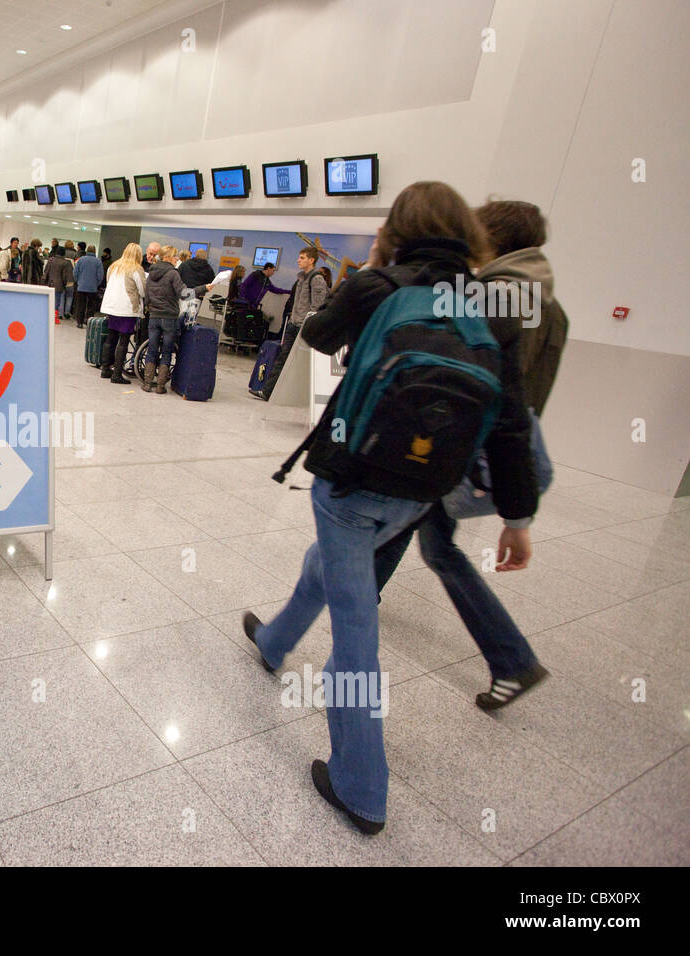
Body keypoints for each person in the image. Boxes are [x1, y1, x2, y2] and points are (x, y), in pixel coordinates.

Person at [240, 181, 539, 836]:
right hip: (423, 491)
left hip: (350, 482)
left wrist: (370, 277)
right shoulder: (491, 307)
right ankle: (273, 641)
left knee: (354, 627)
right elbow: (511, 423)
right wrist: (517, 518)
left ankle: (360, 786)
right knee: (330, 568)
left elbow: (317, 337)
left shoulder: (381, 284)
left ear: (398, 227)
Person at [370, 199, 568, 711]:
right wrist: (514, 496)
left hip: (452, 449)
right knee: (419, 536)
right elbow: (530, 400)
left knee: (428, 542)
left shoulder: (488, 297)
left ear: (491, 239)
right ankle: (357, 594)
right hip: (476, 451)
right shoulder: (550, 305)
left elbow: (467, 384)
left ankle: (512, 659)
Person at [250, 246, 329, 401]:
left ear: (311, 260)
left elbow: (318, 306)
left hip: (304, 327)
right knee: (282, 358)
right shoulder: (301, 278)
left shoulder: (317, 279)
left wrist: (307, 323)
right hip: (293, 324)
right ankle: (267, 391)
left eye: (302, 258)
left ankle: (299, 396)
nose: (298, 260)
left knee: (299, 363)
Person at [141, 246, 206, 393]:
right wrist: (203, 288)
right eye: (174, 256)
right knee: (167, 351)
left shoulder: (151, 273)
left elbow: (147, 296)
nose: (177, 258)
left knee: (152, 349)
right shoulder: (173, 274)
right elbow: (184, 295)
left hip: (154, 316)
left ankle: (147, 383)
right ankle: (160, 386)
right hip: (169, 317)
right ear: (167, 257)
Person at [98, 243, 145, 384]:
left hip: (111, 307)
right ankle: (117, 374)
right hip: (127, 309)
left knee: (111, 337)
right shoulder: (137, 269)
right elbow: (143, 291)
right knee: (123, 341)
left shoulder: (114, 266)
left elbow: (107, 282)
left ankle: (105, 369)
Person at [71, 244, 104, 328]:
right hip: (92, 288)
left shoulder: (81, 260)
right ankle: (88, 321)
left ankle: (80, 322)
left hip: (81, 286)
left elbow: (75, 273)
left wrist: (78, 281)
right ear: (94, 251)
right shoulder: (98, 261)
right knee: (91, 306)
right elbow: (100, 276)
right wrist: (97, 284)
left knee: (81, 305)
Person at [42, 244, 73, 321]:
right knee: (57, 302)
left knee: (49, 301)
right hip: (59, 285)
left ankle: (47, 315)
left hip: (49, 284)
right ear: (64, 253)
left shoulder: (50, 260)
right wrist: (65, 283)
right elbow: (66, 276)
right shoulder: (66, 262)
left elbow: (46, 271)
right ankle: (55, 317)